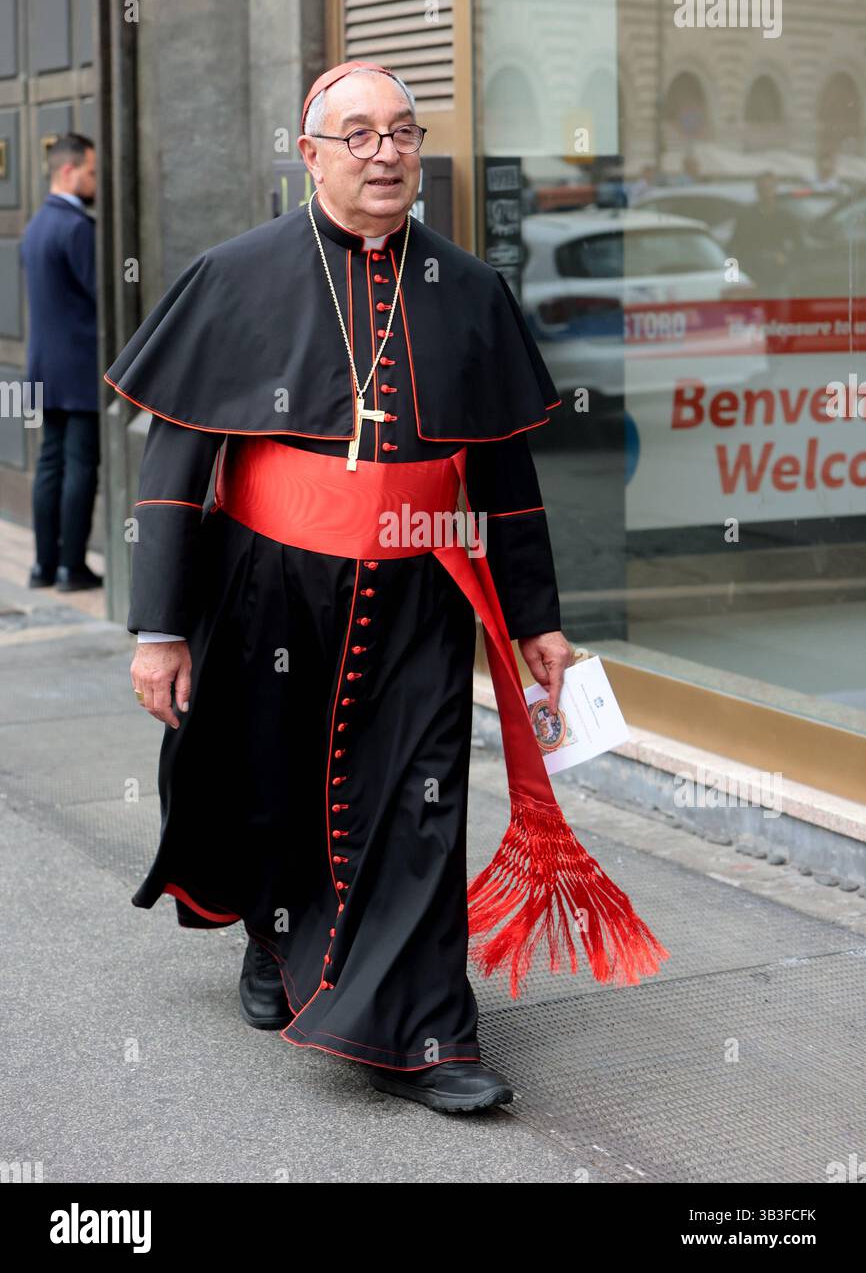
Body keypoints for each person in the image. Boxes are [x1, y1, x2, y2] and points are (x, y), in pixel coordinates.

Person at [104, 62, 668, 1115]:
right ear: (309, 154)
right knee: (274, 786)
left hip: (421, 591)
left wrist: (538, 622)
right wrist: (160, 628)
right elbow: (176, 475)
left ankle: (426, 1032)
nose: (384, 153)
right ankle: (276, 942)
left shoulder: (471, 288)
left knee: (419, 803)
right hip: (271, 585)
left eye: (402, 133)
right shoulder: (238, 276)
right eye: (356, 135)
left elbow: (505, 478)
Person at [21, 132, 103, 592]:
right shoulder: (75, 228)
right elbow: (100, 298)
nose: (95, 181)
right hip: (78, 371)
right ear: (68, 170)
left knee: (50, 465)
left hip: (43, 372)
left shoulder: (36, 225)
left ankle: (42, 566)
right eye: (91, 172)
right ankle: (73, 566)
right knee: (79, 468)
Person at [729, 171, 804, 295]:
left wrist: (786, 258)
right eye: (762, 189)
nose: (766, 192)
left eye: (769, 188)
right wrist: (735, 276)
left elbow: (800, 247)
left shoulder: (786, 217)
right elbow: (734, 247)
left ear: (775, 189)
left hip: (778, 278)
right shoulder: (746, 217)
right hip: (752, 278)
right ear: (757, 191)